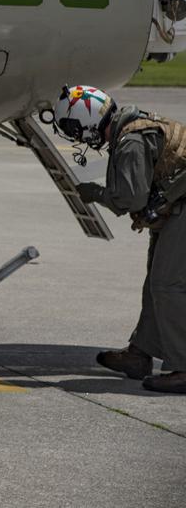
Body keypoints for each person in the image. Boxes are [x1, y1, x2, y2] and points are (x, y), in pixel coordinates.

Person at [53, 84, 186, 394]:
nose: (78, 138)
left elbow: (131, 199)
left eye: (75, 130)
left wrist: (95, 193)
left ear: (85, 124)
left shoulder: (130, 141)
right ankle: (140, 354)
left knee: (167, 284)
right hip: (176, 208)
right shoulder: (133, 128)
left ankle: (183, 367)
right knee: (157, 282)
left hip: (181, 209)